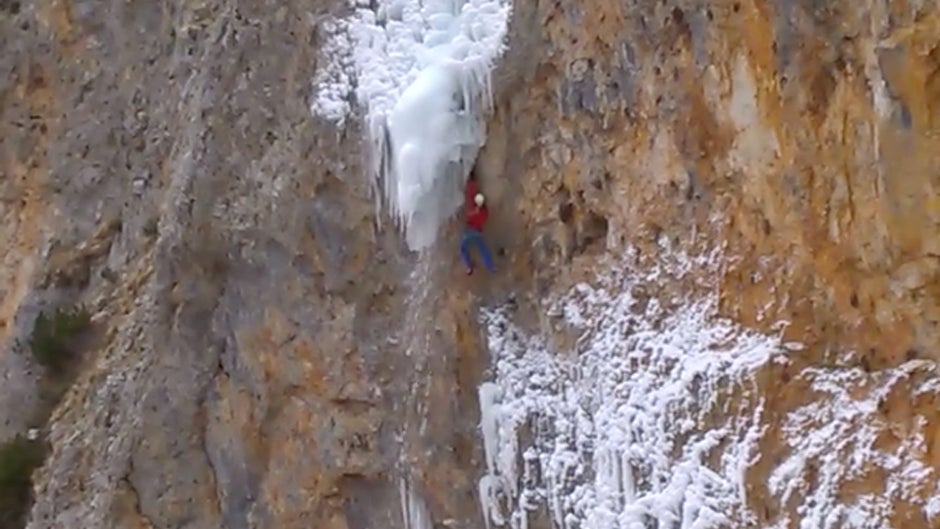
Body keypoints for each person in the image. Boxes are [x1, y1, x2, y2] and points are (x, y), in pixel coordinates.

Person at [460, 174, 495, 275]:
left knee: (463, 248)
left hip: (470, 231)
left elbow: (468, 217)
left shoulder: (474, 210)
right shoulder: (485, 212)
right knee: (483, 249)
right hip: (478, 232)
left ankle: (469, 266)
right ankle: (491, 267)